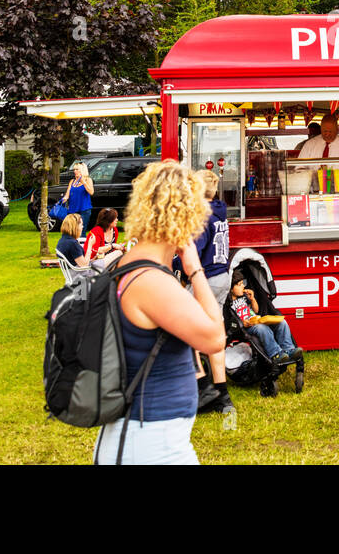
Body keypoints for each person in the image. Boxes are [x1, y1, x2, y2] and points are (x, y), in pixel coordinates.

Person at [94, 161, 225, 465]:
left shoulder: (127, 265)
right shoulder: (151, 282)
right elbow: (215, 338)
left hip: (141, 437)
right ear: (186, 217)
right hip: (149, 443)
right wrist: (194, 268)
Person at [187, 170, 235, 414]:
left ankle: (203, 389)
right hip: (223, 275)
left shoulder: (201, 218)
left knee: (190, 335)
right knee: (216, 334)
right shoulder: (221, 211)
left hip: (204, 278)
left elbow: (193, 253)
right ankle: (223, 396)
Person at [230, 274, 302, 364]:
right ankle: (276, 354)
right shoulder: (229, 302)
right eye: (239, 284)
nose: (243, 286)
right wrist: (242, 323)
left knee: (281, 322)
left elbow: (256, 310)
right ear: (231, 288)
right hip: (247, 327)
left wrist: (252, 299)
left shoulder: (243, 297)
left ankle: (289, 350)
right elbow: (230, 320)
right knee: (262, 328)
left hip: (256, 320)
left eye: (243, 283)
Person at [295, 114, 339, 185]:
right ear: (321, 129)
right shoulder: (309, 145)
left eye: (330, 131)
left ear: (337, 128)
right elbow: (299, 168)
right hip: (314, 191)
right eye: (325, 131)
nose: (327, 134)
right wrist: (312, 176)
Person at [64, 162, 95, 236]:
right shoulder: (72, 181)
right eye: (74, 169)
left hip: (84, 210)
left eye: (77, 169)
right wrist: (62, 200)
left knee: (81, 231)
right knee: (72, 232)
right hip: (73, 210)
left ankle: (82, 247)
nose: (75, 171)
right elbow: (67, 195)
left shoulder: (88, 180)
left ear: (82, 170)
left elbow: (91, 192)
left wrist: (84, 182)